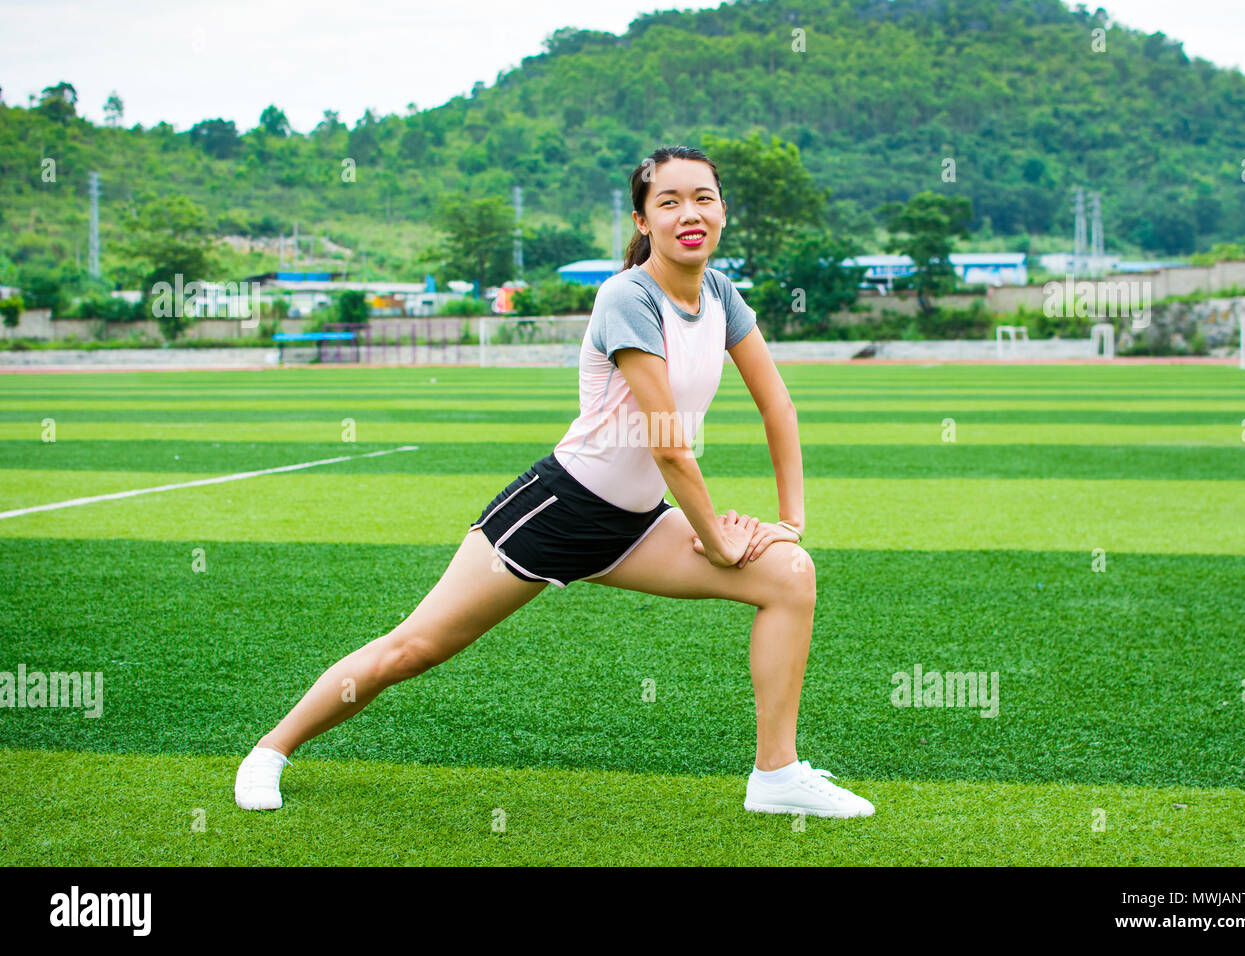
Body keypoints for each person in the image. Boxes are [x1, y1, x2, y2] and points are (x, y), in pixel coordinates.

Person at [235, 145, 875, 819]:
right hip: (557, 509)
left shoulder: (720, 294)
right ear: (642, 219)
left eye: (704, 198)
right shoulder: (627, 297)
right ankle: (271, 750)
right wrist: (715, 537)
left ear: (723, 212)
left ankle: (775, 776)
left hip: (636, 524)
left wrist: (790, 519)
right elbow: (667, 444)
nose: (690, 213)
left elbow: (778, 404)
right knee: (414, 648)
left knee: (788, 574)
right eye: (669, 201)